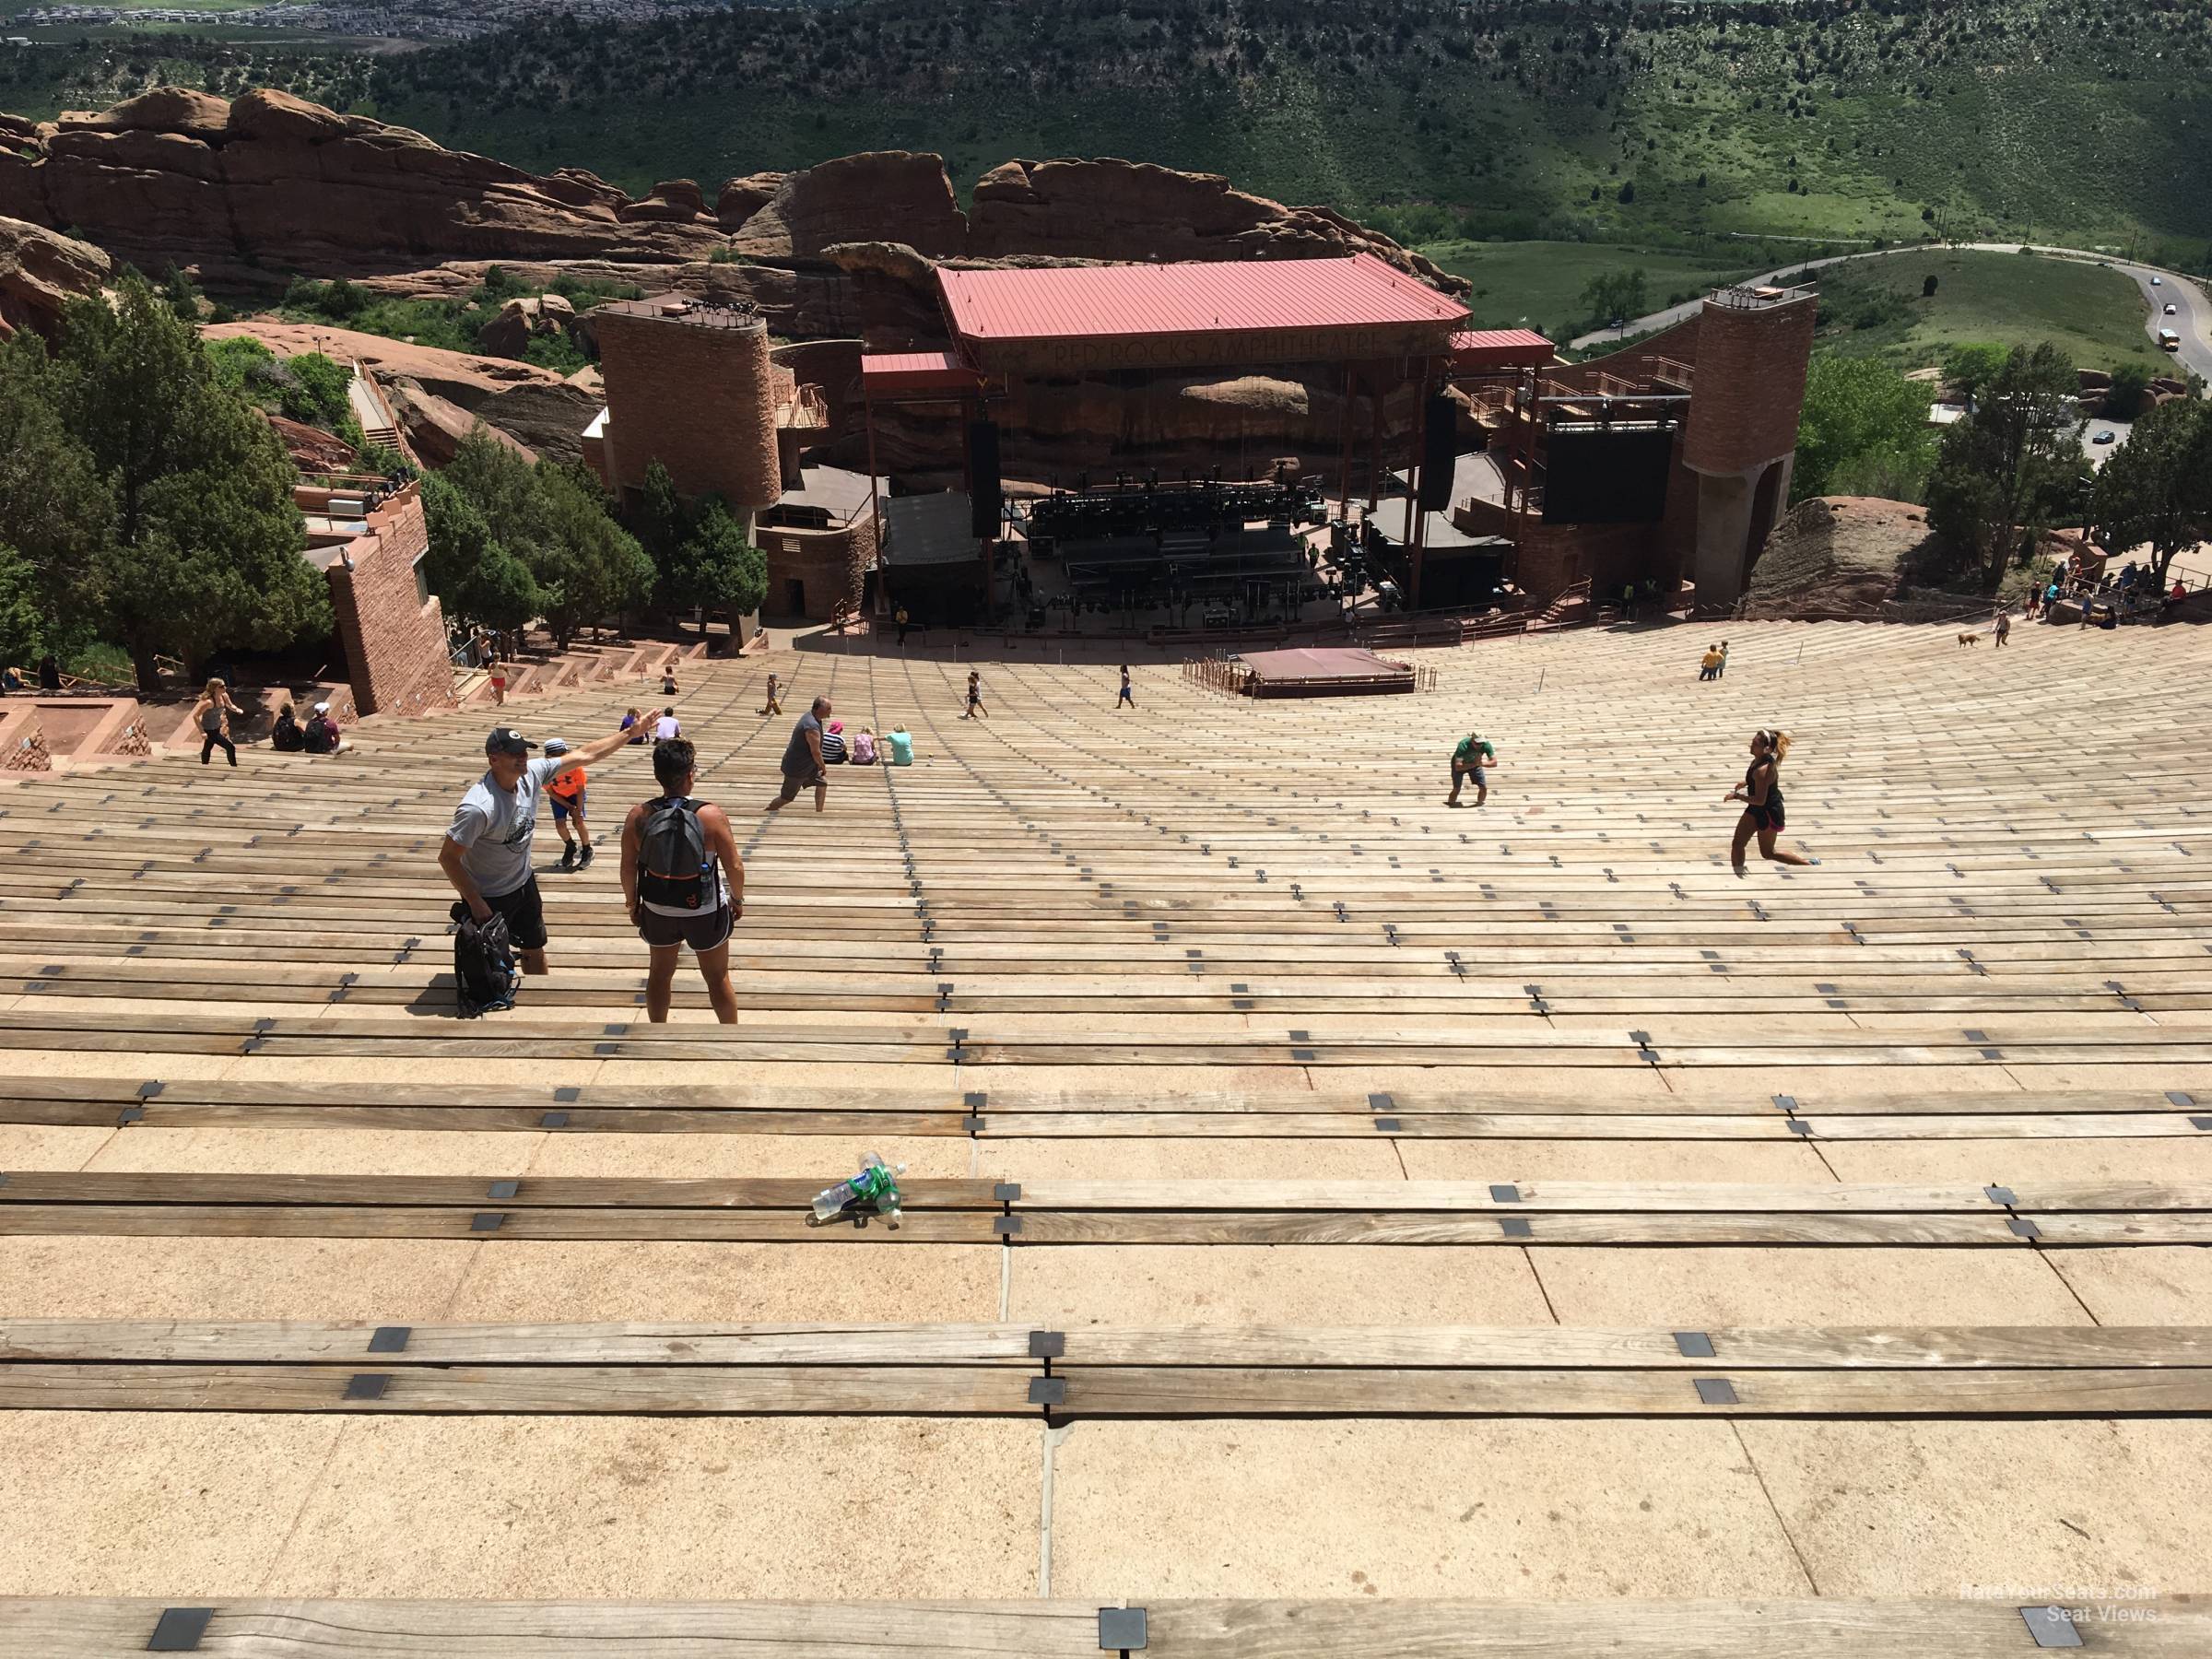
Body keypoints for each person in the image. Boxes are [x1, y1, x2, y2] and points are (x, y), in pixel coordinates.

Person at [439, 722, 636, 977]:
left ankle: (540, 993)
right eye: (514, 753)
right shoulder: (478, 808)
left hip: (523, 883)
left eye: (524, 751)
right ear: (494, 760)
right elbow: (448, 858)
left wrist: (630, 733)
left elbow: (585, 755)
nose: (523, 757)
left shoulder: (531, 773)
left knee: (535, 948)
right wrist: (475, 902)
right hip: (490, 896)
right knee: (489, 959)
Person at [622, 736, 743, 1023]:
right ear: (690, 774)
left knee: (660, 974)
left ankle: (656, 1032)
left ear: (657, 774)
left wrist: (632, 905)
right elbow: (735, 866)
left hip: (657, 907)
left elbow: (627, 867)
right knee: (717, 977)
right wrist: (737, 899)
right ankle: (731, 1038)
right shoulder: (710, 815)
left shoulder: (639, 815)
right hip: (704, 909)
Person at [1725, 728, 1816, 875]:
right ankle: (1738, 874)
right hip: (1755, 809)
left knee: (1768, 853)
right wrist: (1746, 782)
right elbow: (1760, 783)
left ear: (1766, 749)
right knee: (1737, 843)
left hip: (1768, 813)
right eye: (1752, 742)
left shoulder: (1763, 770)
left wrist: (1737, 796)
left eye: (1755, 744)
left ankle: (1809, 864)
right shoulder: (1758, 761)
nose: (1751, 745)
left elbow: (1760, 800)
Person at [768, 695, 832, 813]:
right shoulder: (811, 726)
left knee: (823, 783)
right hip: (797, 768)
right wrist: (823, 766)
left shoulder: (812, 717)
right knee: (786, 798)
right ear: (818, 708)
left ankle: (819, 813)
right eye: (828, 708)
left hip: (809, 767)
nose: (830, 712)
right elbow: (816, 752)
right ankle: (766, 811)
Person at [545, 738, 594, 870]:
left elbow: (580, 790)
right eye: (553, 756)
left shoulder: (575, 767)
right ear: (547, 757)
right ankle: (570, 845)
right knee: (560, 826)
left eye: (561, 755)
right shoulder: (545, 771)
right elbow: (551, 792)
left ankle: (587, 848)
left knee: (578, 822)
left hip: (575, 795)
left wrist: (578, 808)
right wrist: (568, 807)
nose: (558, 760)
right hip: (558, 797)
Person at [191, 677, 244, 768]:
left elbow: (230, 705)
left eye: (224, 685)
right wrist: (202, 732)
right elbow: (195, 716)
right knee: (230, 747)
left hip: (217, 726)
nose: (225, 687)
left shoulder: (224, 696)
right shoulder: (209, 702)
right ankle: (234, 766)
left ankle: (204, 765)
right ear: (215, 688)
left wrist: (237, 709)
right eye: (222, 686)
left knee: (208, 747)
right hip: (209, 729)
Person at [1447, 730, 1496, 807]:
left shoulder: (1486, 745)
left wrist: (1480, 764)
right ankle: (1450, 804)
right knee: (1457, 788)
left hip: (1475, 765)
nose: (1479, 745)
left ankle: (1480, 805)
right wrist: (1475, 764)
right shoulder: (1463, 745)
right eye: (1477, 743)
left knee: (1483, 788)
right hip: (1461, 764)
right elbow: (1458, 766)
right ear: (1472, 740)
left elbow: (1494, 762)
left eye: (1481, 743)